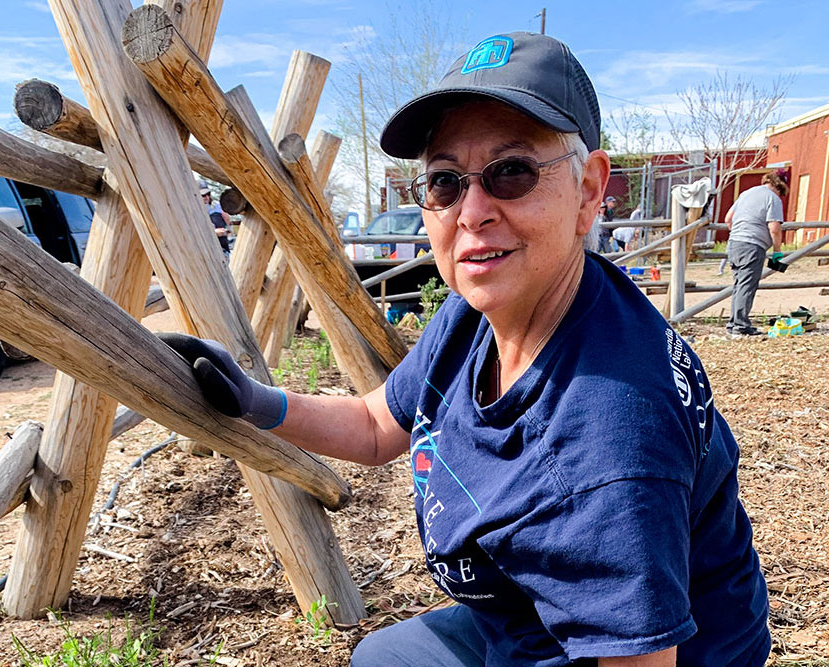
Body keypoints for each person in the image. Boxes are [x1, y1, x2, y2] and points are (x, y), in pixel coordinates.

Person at [163, 31, 769, 666]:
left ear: (589, 191)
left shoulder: (607, 443)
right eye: (446, 182)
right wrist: (258, 404)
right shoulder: (478, 311)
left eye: (511, 172)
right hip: (521, 615)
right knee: (382, 656)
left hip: (627, 651)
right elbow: (376, 426)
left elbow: (640, 660)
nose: (472, 210)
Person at [724, 170, 788, 335]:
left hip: (734, 243)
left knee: (739, 284)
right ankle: (740, 326)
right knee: (747, 286)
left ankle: (734, 323)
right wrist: (777, 251)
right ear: (780, 186)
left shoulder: (746, 193)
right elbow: (774, 228)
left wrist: (740, 232)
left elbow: (728, 219)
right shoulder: (773, 198)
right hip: (752, 245)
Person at [201, 180, 231, 259]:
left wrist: (227, 228)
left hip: (223, 246)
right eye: (203, 195)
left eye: (208, 194)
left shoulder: (216, 206)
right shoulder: (196, 210)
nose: (207, 197)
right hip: (209, 250)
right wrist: (213, 232)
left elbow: (227, 222)